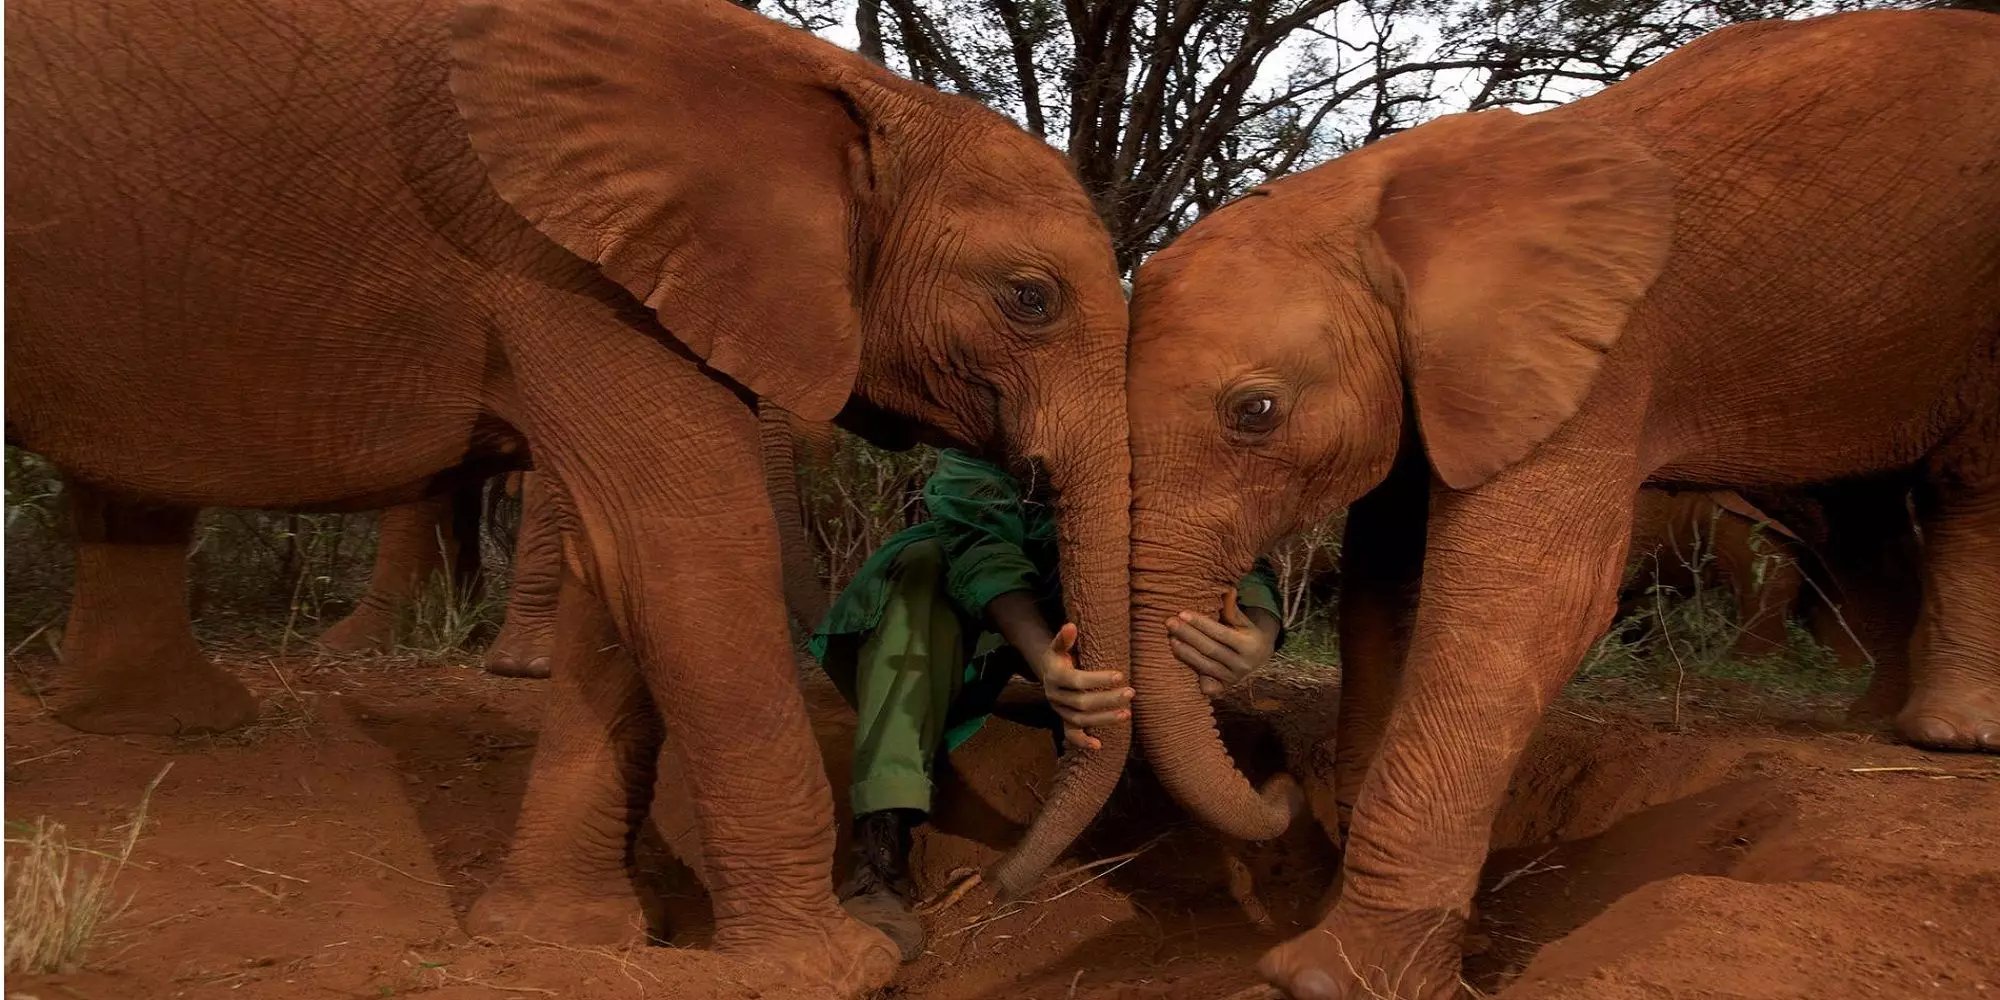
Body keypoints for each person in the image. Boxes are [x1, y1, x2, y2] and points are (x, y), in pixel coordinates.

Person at [809, 448, 1285, 959]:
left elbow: (1225, 539)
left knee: (1154, 568)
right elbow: (979, 545)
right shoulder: (993, 408)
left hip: (1105, 589)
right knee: (921, 571)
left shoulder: (1161, 406)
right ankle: (879, 855)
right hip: (983, 606)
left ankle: (1141, 797)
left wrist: (1258, 630)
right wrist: (1045, 661)